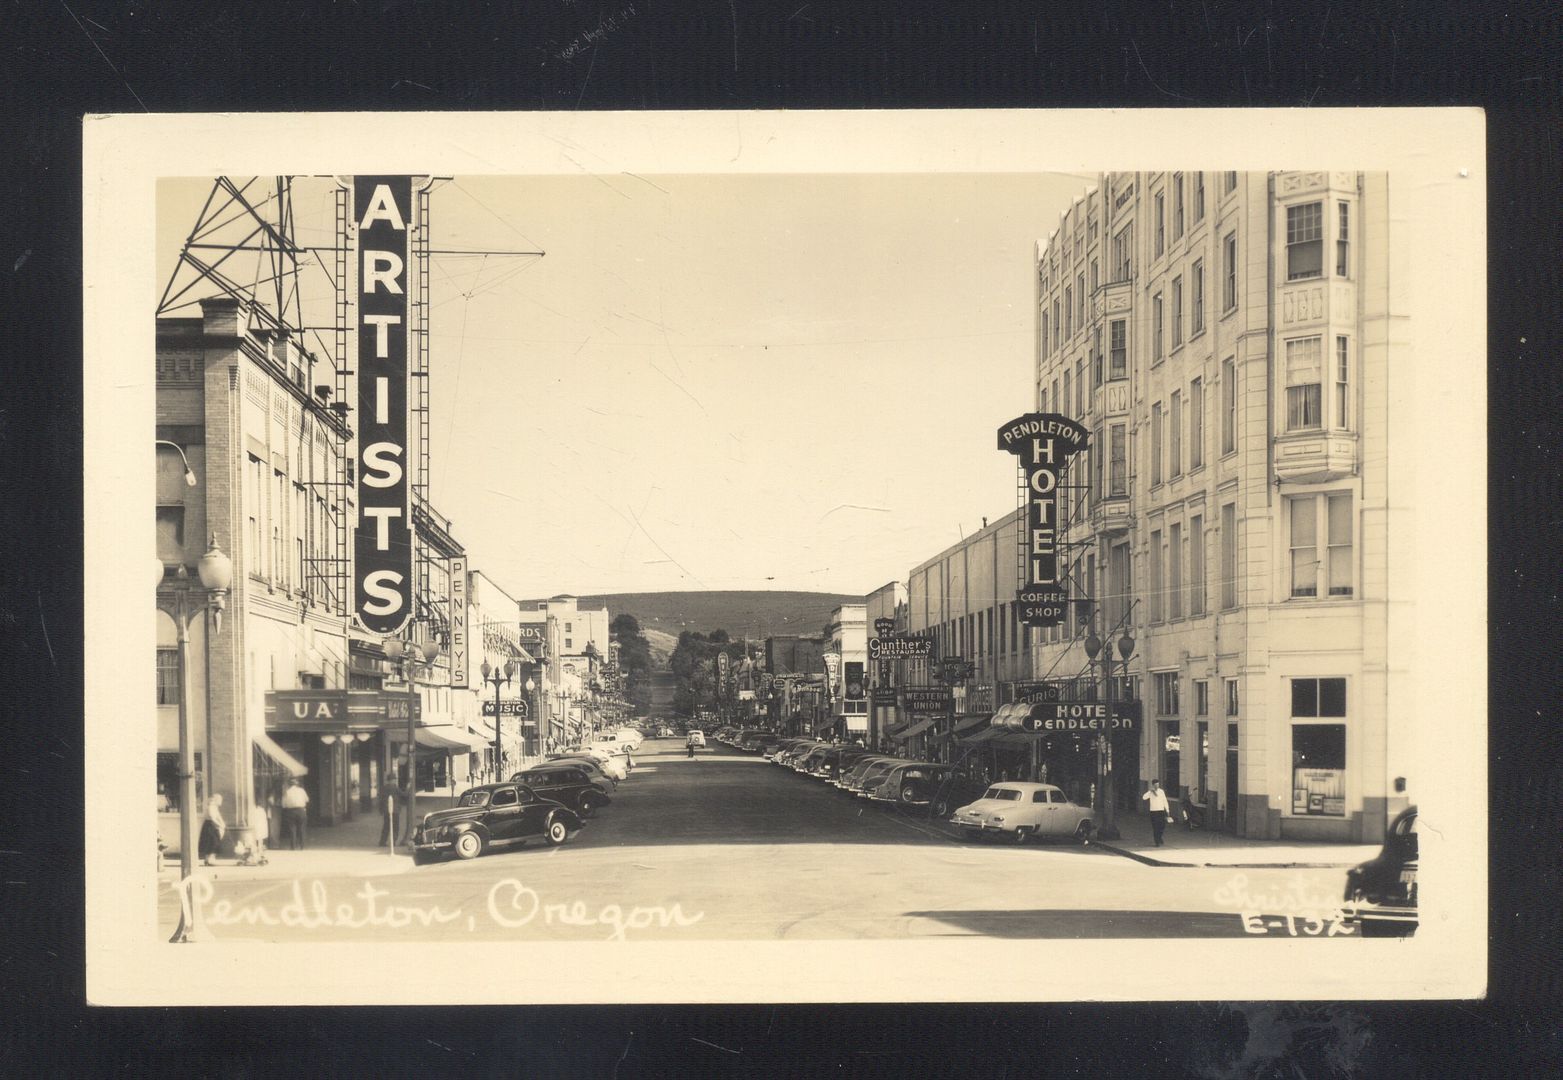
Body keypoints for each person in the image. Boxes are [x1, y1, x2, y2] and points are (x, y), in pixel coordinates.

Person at [1142, 778, 1172, 847]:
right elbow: (1144, 797)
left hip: (1161, 811)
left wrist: (1167, 810)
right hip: (1153, 812)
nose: (1157, 786)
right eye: (1155, 785)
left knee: (1162, 826)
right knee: (1155, 827)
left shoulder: (1161, 791)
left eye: (1158, 785)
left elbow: (1164, 801)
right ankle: (1157, 841)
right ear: (1153, 785)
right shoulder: (1150, 792)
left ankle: (1159, 837)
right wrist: (1150, 791)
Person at [281, 777, 309, 850]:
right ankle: (302, 846)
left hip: (291, 811)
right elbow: (307, 800)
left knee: (292, 828)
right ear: (297, 784)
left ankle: (293, 846)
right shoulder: (301, 790)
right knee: (302, 828)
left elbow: (283, 804)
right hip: (301, 810)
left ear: (289, 784)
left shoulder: (287, 792)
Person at [198, 792, 226, 866]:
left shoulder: (215, 807)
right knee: (212, 842)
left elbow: (219, 816)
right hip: (209, 825)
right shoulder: (211, 807)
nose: (221, 801)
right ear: (216, 800)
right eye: (220, 799)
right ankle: (208, 859)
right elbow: (212, 818)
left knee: (214, 842)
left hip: (213, 825)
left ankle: (209, 859)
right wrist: (220, 825)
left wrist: (222, 823)